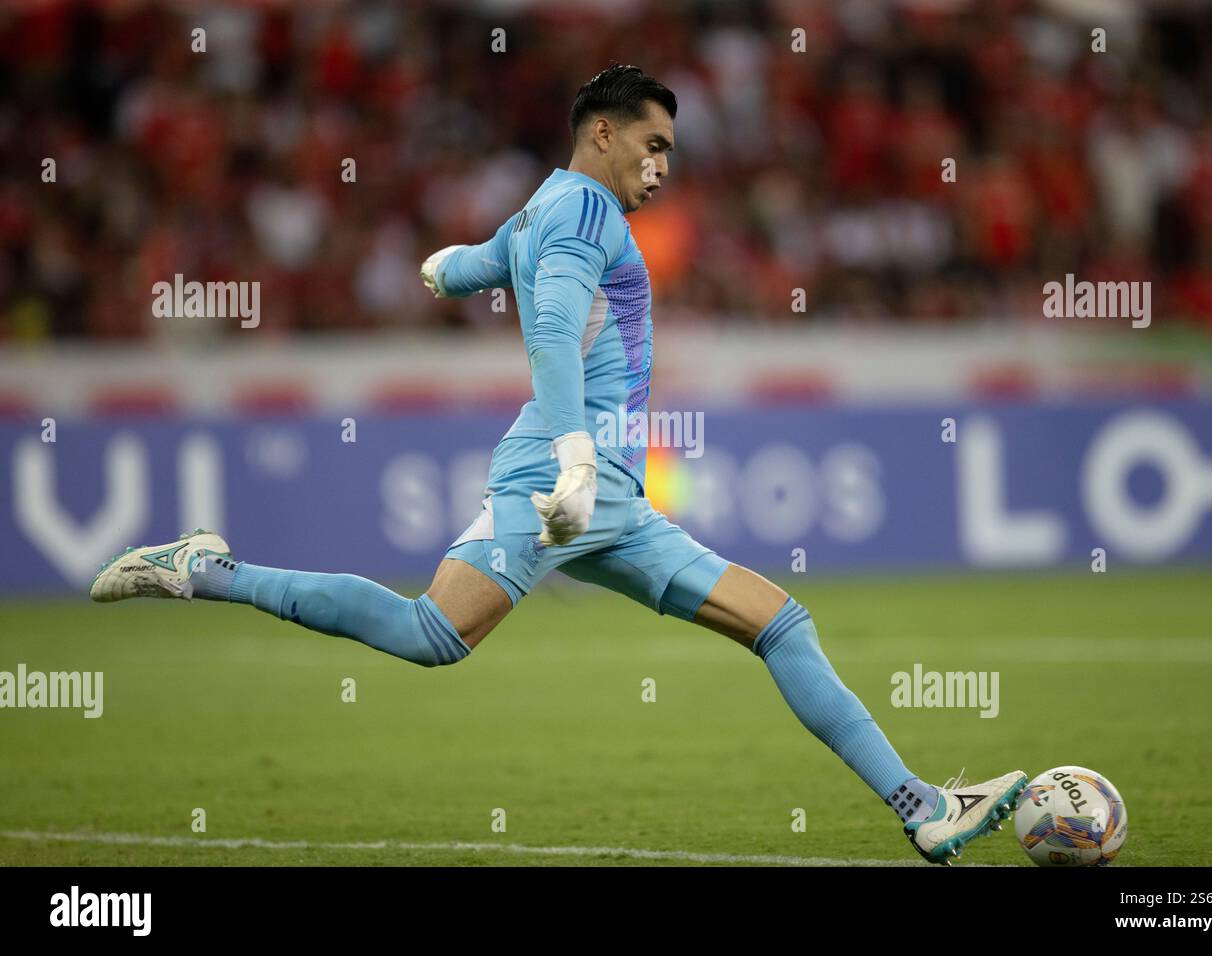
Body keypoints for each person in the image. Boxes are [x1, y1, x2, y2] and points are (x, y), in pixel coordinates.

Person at [91, 64, 1024, 864]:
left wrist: (445, 267)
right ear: (603, 134)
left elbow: (477, 265)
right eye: (652, 146)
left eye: (672, 152)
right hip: (561, 473)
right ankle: (204, 571)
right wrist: (575, 458)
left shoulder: (544, 207)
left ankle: (922, 810)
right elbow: (550, 332)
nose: (662, 166)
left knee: (778, 624)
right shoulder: (583, 215)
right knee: (434, 635)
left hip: (603, 490)